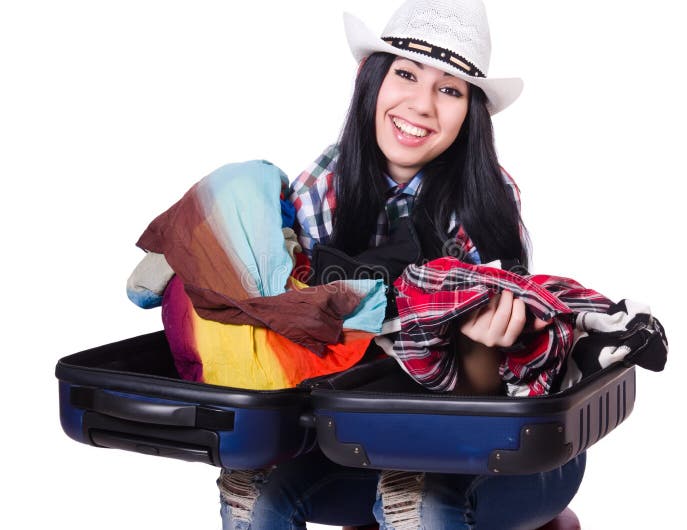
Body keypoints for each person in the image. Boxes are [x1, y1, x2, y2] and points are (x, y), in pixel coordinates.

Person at [218, 1, 585, 528]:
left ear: (470, 111)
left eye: (450, 89)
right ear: (372, 79)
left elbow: (489, 403)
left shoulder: (484, 202)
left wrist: (481, 345)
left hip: (495, 438)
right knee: (256, 494)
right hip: (370, 435)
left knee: (423, 501)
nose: (422, 105)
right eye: (406, 74)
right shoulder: (322, 187)